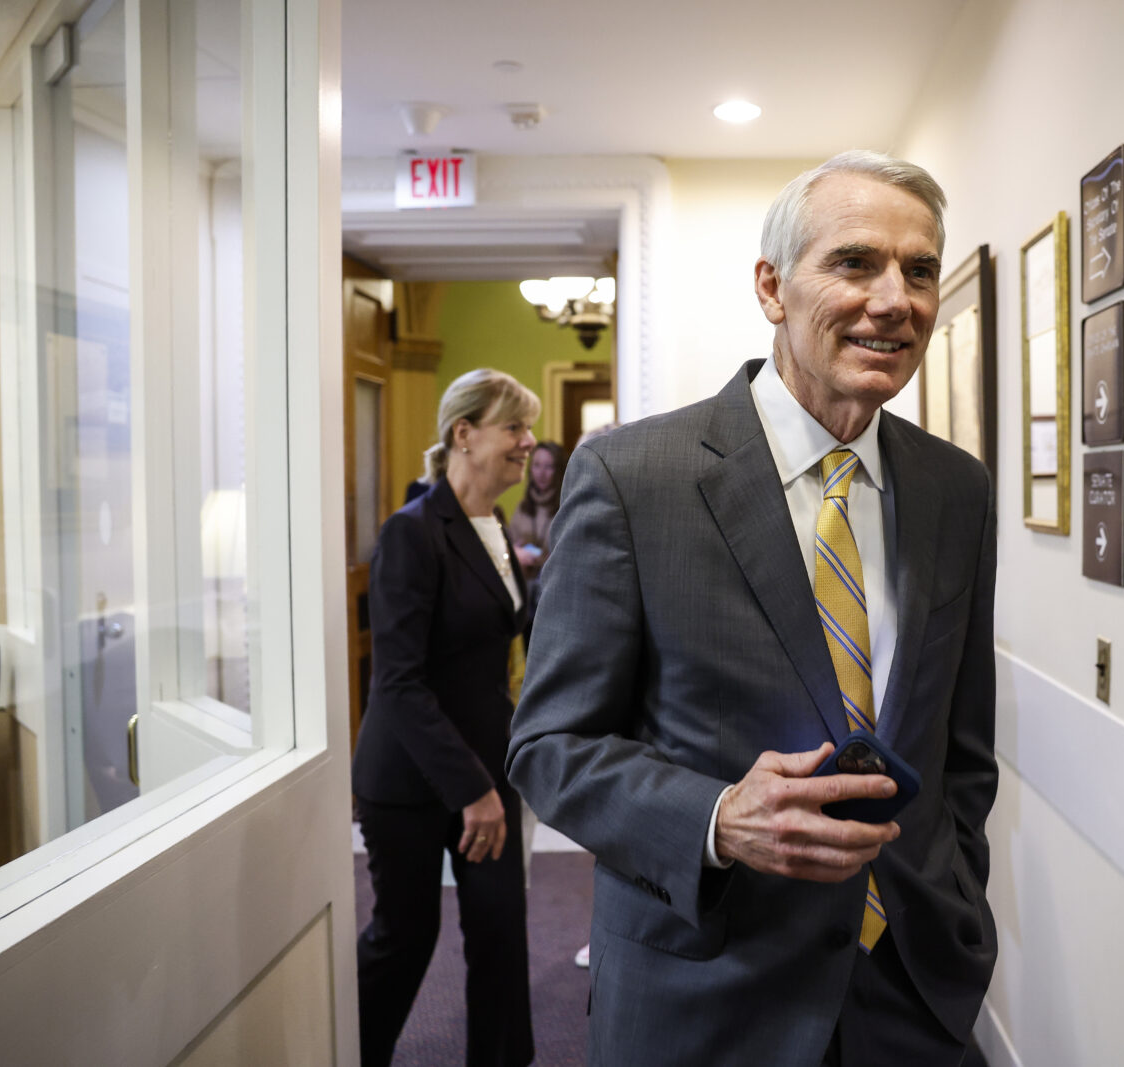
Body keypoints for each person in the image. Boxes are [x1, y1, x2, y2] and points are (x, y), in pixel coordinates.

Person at [508, 151, 998, 1066]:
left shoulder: (957, 489)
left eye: (920, 270)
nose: (894, 299)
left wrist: (959, 897)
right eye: (856, 262)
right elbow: (548, 747)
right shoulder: (633, 477)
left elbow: (961, 754)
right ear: (772, 288)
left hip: (912, 992)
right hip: (705, 996)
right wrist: (718, 816)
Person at [352, 368, 540, 1067]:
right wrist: (472, 790)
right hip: (409, 779)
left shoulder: (495, 527)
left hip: (488, 765)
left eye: (528, 429)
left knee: (501, 933)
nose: (529, 443)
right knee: (405, 937)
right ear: (464, 433)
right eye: (514, 427)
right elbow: (399, 684)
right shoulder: (410, 532)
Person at [508, 440, 565, 585]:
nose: (541, 473)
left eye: (549, 467)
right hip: (523, 583)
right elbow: (509, 548)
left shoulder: (564, 508)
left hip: (553, 584)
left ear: (558, 471)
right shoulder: (522, 508)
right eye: (536, 465)